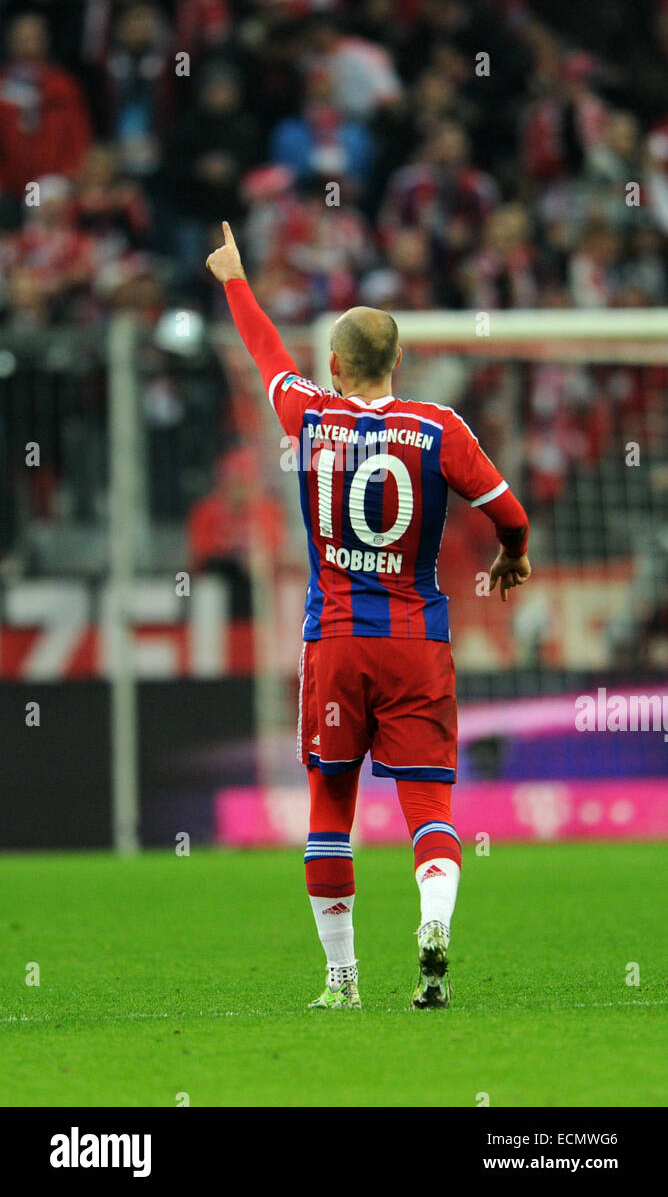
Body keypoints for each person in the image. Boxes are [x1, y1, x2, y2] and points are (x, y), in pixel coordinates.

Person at [207, 222, 532, 1010]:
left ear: (337, 365)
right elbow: (511, 513)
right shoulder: (438, 429)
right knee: (428, 805)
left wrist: (233, 279)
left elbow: (266, 358)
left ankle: (342, 982)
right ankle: (433, 926)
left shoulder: (311, 420)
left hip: (337, 646)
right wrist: (511, 556)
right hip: (418, 643)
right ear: (398, 363)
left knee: (330, 804)